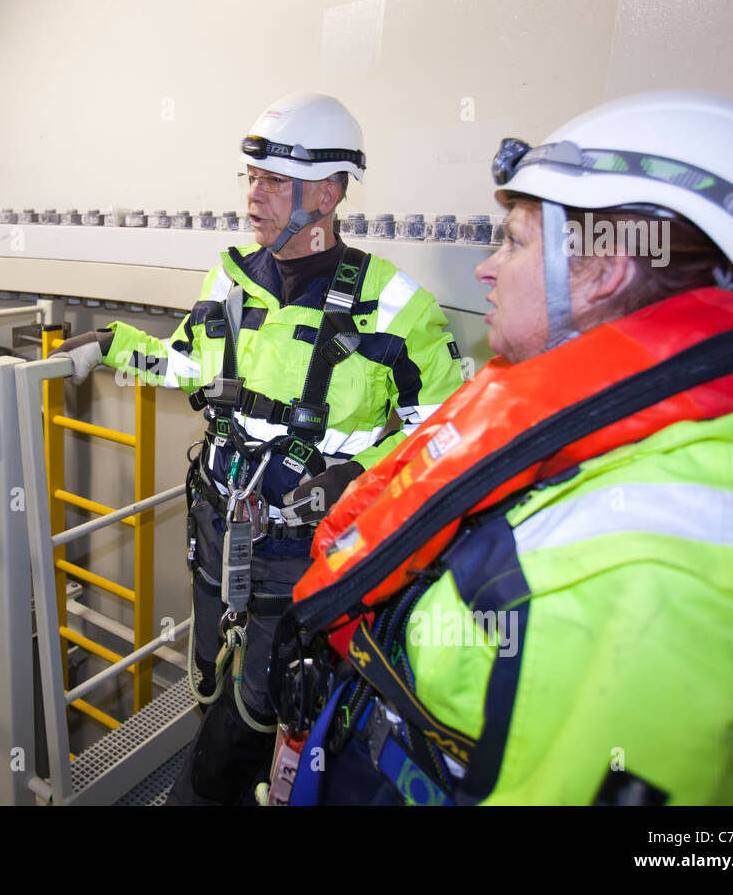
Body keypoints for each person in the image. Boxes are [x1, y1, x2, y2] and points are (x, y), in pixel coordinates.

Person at [272, 90, 733, 805]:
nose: (487, 269)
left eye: (516, 242)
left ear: (602, 271)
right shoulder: (614, 426)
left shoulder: (658, 579)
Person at [52, 92, 465, 805]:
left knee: (257, 714)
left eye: (274, 182)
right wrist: (110, 344)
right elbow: (189, 363)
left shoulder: (398, 309)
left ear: (329, 192)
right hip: (216, 531)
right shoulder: (232, 279)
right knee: (211, 675)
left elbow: (447, 438)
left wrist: (351, 478)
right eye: (251, 178)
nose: (254, 197)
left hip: (306, 556)